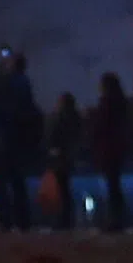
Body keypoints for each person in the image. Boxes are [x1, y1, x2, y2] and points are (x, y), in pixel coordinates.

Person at [0, 52, 44, 231]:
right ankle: (23, 220)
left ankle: (6, 220)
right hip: (17, 140)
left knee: (1, 181)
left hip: (1, 139)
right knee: (18, 181)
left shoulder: (3, 84)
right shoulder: (25, 86)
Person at [86, 71, 133, 231]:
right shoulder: (121, 103)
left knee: (112, 185)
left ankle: (114, 220)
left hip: (108, 149)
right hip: (117, 148)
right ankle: (117, 219)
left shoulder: (107, 103)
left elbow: (100, 125)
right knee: (115, 185)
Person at [44, 86, 86, 229]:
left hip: (60, 157)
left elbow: (53, 136)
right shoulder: (75, 119)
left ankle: (63, 219)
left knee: (62, 189)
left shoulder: (60, 118)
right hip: (67, 157)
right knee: (64, 189)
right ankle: (66, 219)